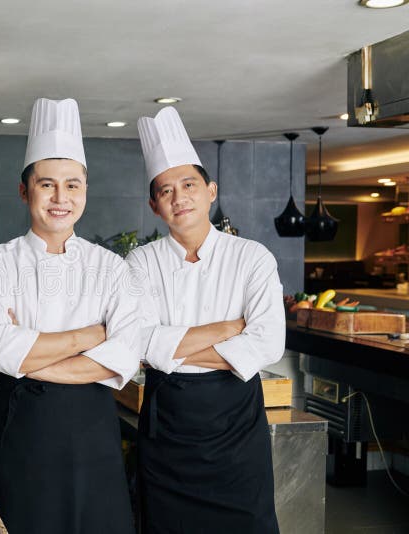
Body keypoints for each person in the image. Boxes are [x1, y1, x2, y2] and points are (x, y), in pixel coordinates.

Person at [0, 97, 139, 534]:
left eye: (72, 185)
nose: (60, 198)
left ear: (85, 190)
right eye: (47, 185)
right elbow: (4, 353)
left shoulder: (112, 267)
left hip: (94, 433)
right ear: (25, 190)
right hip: (23, 427)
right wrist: (93, 334)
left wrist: (33, 351)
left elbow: (124, 356)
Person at [127, 106, 285, 533]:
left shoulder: (252, 257)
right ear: (154, 205)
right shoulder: (140, 262)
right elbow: (140, 343)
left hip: (237, 433)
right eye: (165, 191)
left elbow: (268, 343)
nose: (180, 198)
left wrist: (172, 350)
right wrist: (228, 330)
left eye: (189, 185)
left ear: (211, 191)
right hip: (168, 438)